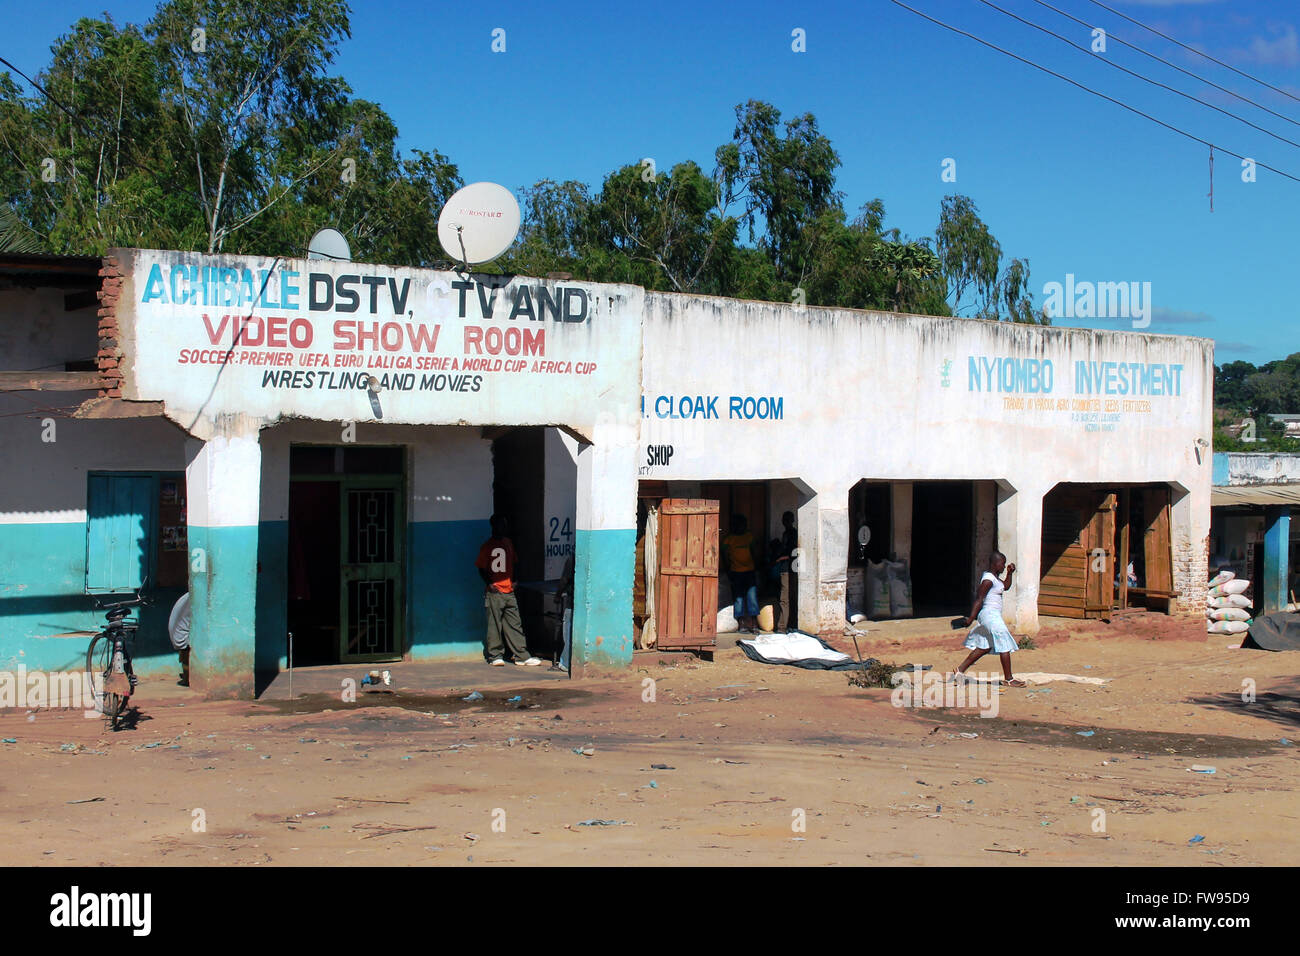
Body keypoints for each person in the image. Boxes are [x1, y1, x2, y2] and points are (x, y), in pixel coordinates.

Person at [475, 515, 542, 666]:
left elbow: (514, 563)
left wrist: (515, 580)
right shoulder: (488, 546)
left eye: (504, 525)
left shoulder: (508, 543)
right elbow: (481, 567)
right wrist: (490, 583)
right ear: (493, 526)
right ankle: (495, 655)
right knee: (494, 624)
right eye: (500, 525)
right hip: (495, 592)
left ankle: (521, 655)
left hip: (509, 591)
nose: (503, 528)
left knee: (514, 623)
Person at [950, 551, 1024, 687]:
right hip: (990, 615)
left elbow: (1005, 587)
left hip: (991, 615)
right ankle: (1009, 679)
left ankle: (959, 671)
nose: (1003, 566)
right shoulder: (988, 580)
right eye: (1002, 563)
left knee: (985, 647)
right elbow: (979, 599)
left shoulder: (995, 579)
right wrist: (970, 618)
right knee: (1004, 642)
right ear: (995, 564)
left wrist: (1009, 573)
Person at [721, 514, 759, 633]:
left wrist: (756, 568)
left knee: (752, 597)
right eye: (739, 525)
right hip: (736, 572)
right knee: (738, 598)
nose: (741, 527)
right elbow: (724, 555)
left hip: (749, 571)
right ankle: (741, 623)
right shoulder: (729, 539)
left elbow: (754, 553)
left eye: (743, 525)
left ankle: (753, 623)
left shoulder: (749, 537)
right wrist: (728, 570)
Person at [773, 510, 798, 632]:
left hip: (788, 568)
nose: (785, 522)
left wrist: (780, 559)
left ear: (792, 521)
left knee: (785, 599)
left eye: (787, 520)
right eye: (784, 520)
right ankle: (790, 624)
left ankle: (782, 627)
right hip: (788, 568)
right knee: (788, 598)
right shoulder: (787, 533)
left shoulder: (792, 534)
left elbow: (793, 553)